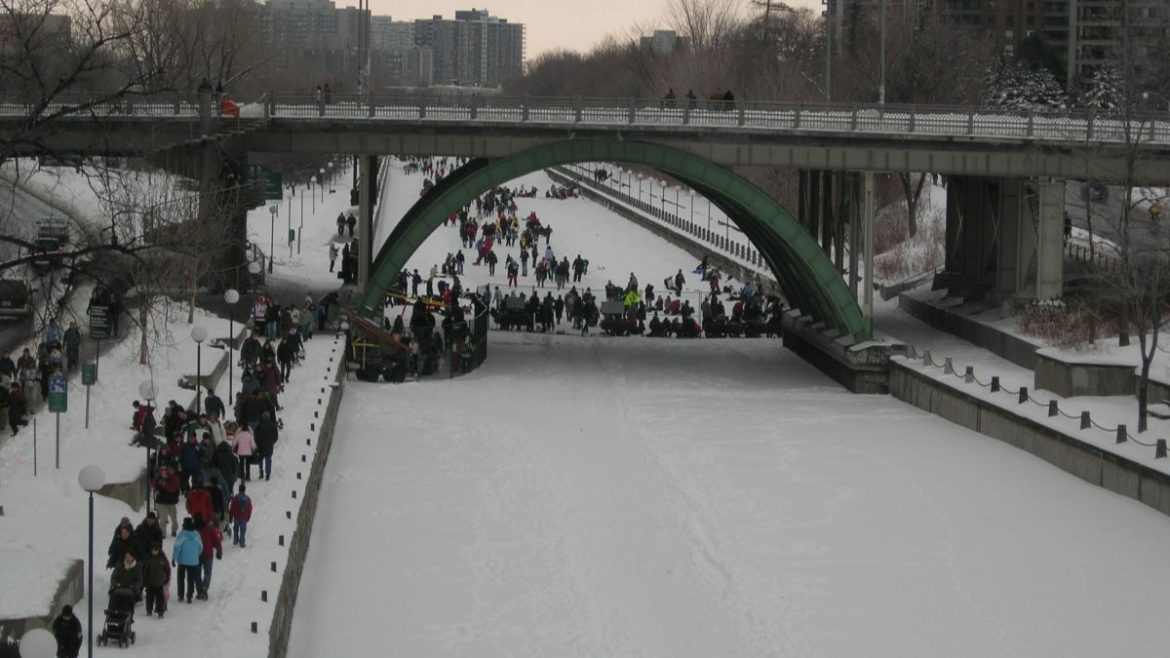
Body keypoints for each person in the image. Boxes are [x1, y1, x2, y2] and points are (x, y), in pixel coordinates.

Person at [171, 517, 203, 604]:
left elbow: (177, 547)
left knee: (181, 578)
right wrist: (196, 555)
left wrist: (174, 558)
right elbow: (201, 547)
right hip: (193, 561)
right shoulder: (197, 534)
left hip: (182, 561)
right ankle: (189, 596)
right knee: (191, 579)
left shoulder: (182, 534)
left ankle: (181, 595)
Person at [196, 514, 223, 599]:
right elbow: (217, 540)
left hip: (197, 554)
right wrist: (219, 551)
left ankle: (199, 590)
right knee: (208, 572)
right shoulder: (210, 529)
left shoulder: (194, 530)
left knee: (197, 573)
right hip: (208, 554)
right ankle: (204, 588)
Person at [142, 542, 171, 618]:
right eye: (152, 550)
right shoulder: (148, 559)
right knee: (149, 597)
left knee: (160, 598)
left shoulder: (162, 559)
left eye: (156, 550)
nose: (154, 552)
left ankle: (160, 611)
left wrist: (167, 578)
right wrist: (145, 579)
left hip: (160, 583)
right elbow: (145, 570)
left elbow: (167, 570)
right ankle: (149, 609)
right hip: (150, 582)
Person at [152, 465, 181, 537]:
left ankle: (174, 530)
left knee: (174, 518)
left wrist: (164, 484)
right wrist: (157, 488)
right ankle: (162, 533)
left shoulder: (173, 477)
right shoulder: (158, 478)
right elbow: (154, 484)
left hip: (171, 501)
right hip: (162, 501)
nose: (164, 473)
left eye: (165, 471)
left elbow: (172, 488)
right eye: (162, 471)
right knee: (163, 519)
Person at [255, 411, 279, 480]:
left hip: (260, 446)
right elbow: (276, 436)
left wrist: (257, 443)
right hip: (269, 446)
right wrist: (272, 442)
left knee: (260, 460)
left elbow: (256, 436)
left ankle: (261, 472)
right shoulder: (272, 425)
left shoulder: (259, 425)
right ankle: (268, 474)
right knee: (268, 460)